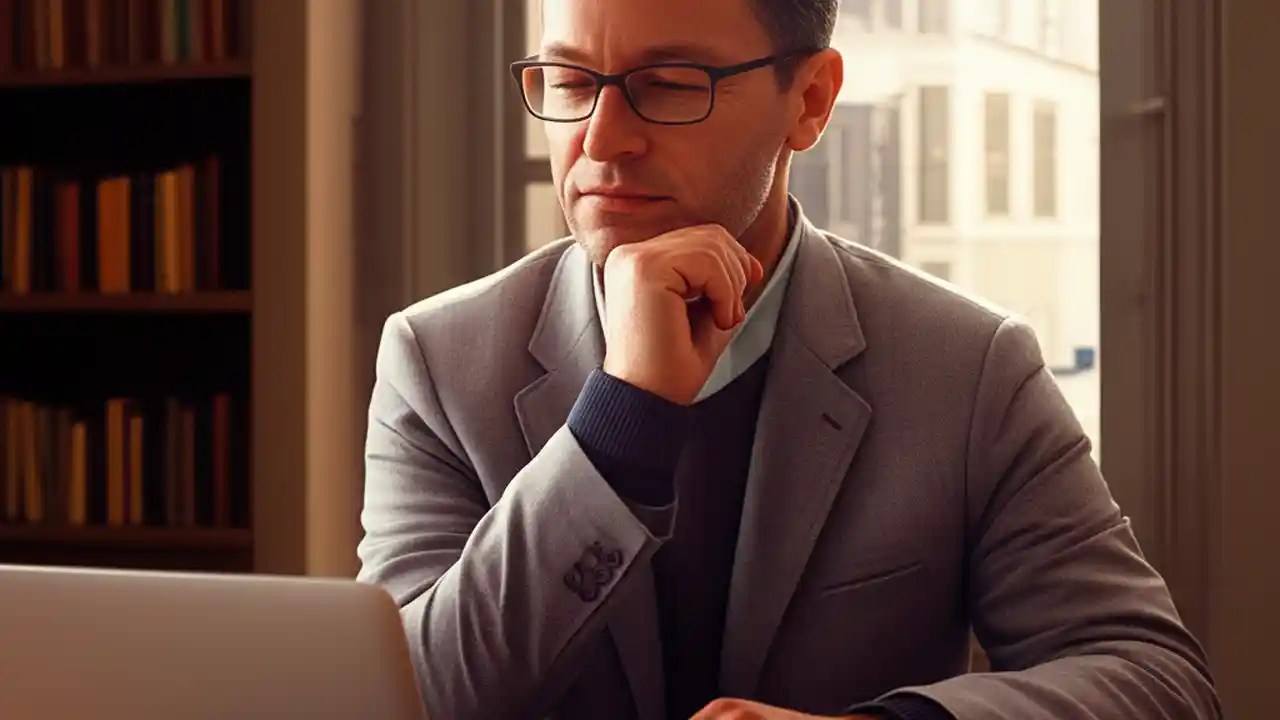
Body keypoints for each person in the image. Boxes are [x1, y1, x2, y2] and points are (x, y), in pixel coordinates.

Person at [355, 1, 1220, 718]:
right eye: (572, 82)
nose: (601, 139)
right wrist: (622, 423)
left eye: (667, 86)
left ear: (810, 100)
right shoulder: (438, 361)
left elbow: (1156, 681)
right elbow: (403, 701)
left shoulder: (969, 369)